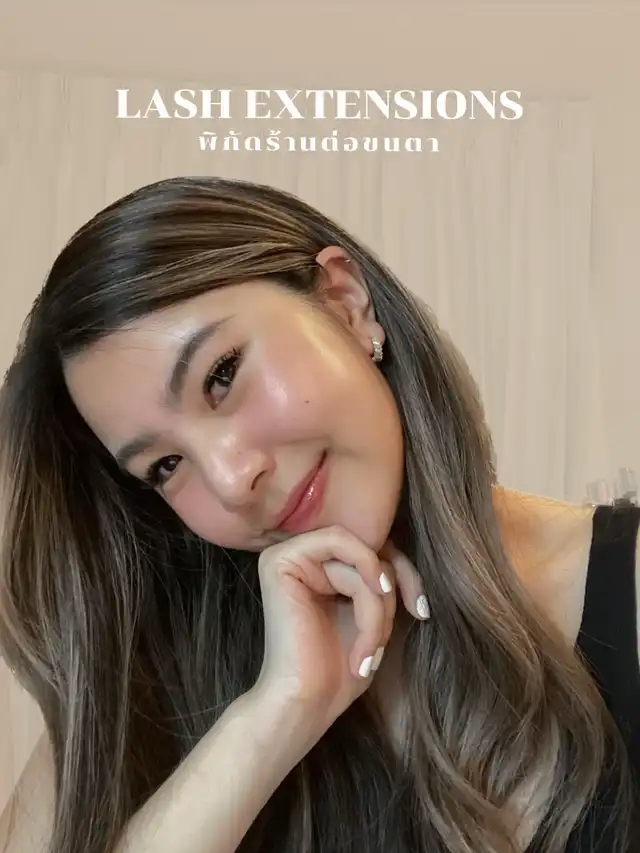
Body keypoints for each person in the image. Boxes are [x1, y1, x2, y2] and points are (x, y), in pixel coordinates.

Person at [0, 176, 637, 853]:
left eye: (221, 375)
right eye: (165, 465)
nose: (232, 479)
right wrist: (277, 714)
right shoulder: (140, 693)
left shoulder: (622, 584)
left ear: (344, 302)